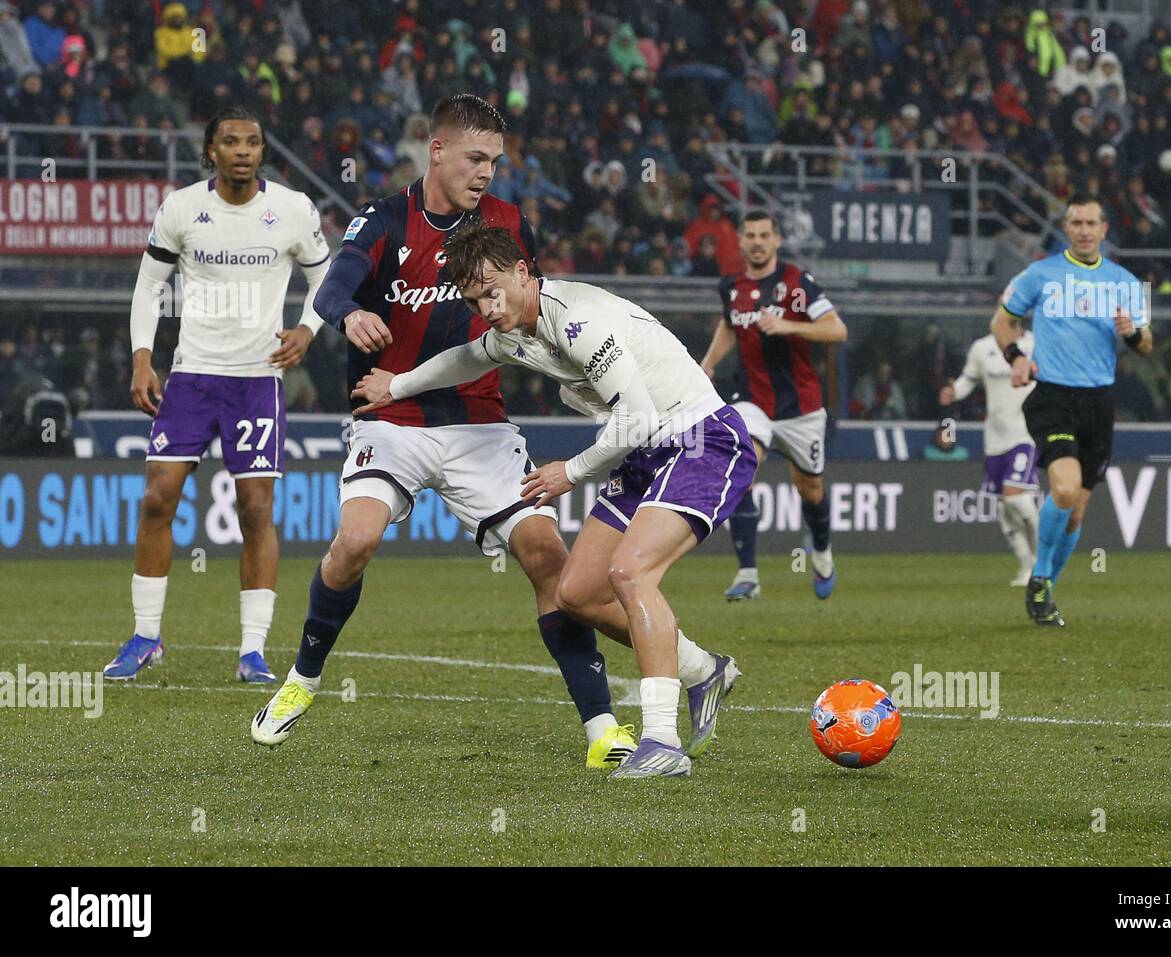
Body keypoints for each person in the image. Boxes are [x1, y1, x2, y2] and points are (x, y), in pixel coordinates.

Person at [250, 95, 637, 771]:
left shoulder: (508, 224)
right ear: (436, 149)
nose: (487, 172)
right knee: (355, 541)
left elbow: (537, 307)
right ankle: (301, 681)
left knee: (550, 559)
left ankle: (604, 730)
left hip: (479, 422)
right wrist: (349, 317)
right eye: (475, 157)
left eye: (496, 161)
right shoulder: (386, 218)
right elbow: (332, 289)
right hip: (391, 418)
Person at [351, 221, 757, 778]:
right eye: (475, 299)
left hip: (700, 439)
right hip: (642, 454)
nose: (488, 307)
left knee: (630, 573)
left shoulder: (579, 320)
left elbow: (635, 418)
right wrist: (394, 386)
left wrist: (571, 471)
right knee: (576, 592)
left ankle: (661, 742)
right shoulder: (518, 329)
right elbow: (467, 358)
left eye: (493, 290)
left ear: (524, 272)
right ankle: (702, 669)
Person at [105, 106, 331, 682]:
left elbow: (324, 278)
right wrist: (141, 358)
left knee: (256, 510)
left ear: (261, 152)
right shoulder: (182, 208)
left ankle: (252, 651)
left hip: (258, 380)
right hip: (191, 376)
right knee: (159, 497)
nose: (242, 151)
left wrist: (308, 328)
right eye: (230, 142)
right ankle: (145, 637)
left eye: (252, 142)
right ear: (212, 152)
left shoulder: (292, 210)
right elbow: (149, 284)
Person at [992, 194, 1153, 626]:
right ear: (1067, 228)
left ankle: (1046, 594)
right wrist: (1016, 357)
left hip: (1099, 402)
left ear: (1104, 230)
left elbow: (1146, 345)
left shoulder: (1125, 283)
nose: (1084, 230)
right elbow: (1002, 321)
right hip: (1054, 397)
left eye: (1091, 223)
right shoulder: (1040, 274)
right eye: (1076, 222)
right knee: (1063, 489)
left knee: (1076, 511)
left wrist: (1132, 332)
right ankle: (1039, 579)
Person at [699, 211, 847, 601]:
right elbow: (730, 325)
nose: (758, 242)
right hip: (753, 400)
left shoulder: (798, 284)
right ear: (743, 241)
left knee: (810, 489)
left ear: (777, 240)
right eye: (750, 235)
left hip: (801, 408)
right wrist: (710, 363)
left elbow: (837, 329)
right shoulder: (731, 286)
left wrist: (789, 326)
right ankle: (748, 573)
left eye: (765, 235)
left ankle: (823, 551)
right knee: (741, 466)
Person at [939, 319, 1039, 586]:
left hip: (1025, 433)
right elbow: (968, 380)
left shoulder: (1035, 344)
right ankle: (1026, 566)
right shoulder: (982, 348)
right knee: (1003, 507)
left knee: (1015, 494)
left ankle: (1044, 559)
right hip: (995, 437)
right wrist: (953, 392)